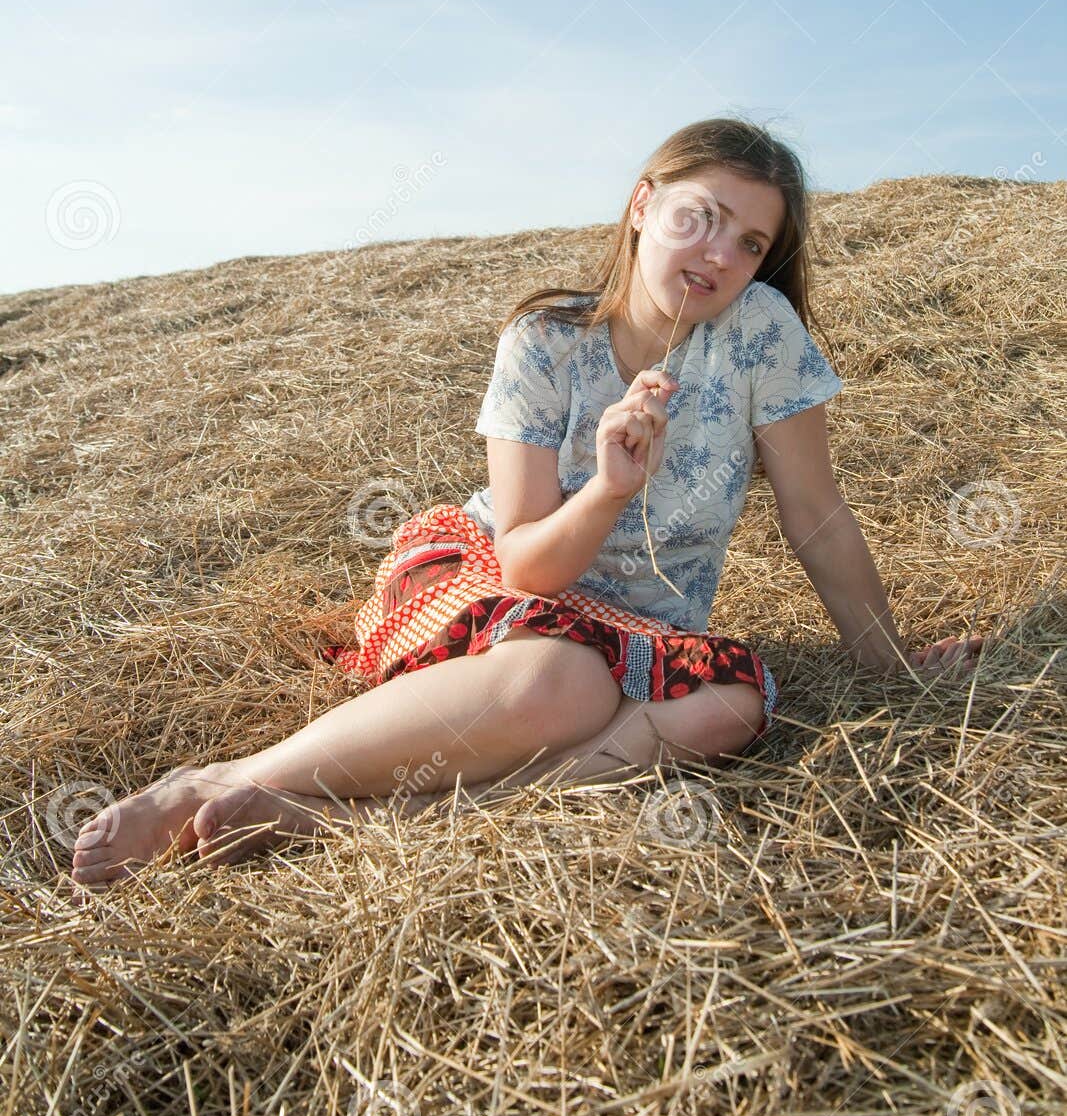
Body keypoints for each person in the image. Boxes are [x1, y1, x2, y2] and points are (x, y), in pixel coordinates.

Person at [72, 119, 983, 889]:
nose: (719, 253)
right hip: (492, 573)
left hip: (632, 625)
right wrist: (608, 489)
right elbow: (528, 566)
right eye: (699, 217)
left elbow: (814, 511)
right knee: (562, 680)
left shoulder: (760, 339)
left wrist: (887, 666)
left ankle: (353, 822)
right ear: (641, 204)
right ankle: (219, 781)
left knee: (729, 707)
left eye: (749, 242)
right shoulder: (545, 341)